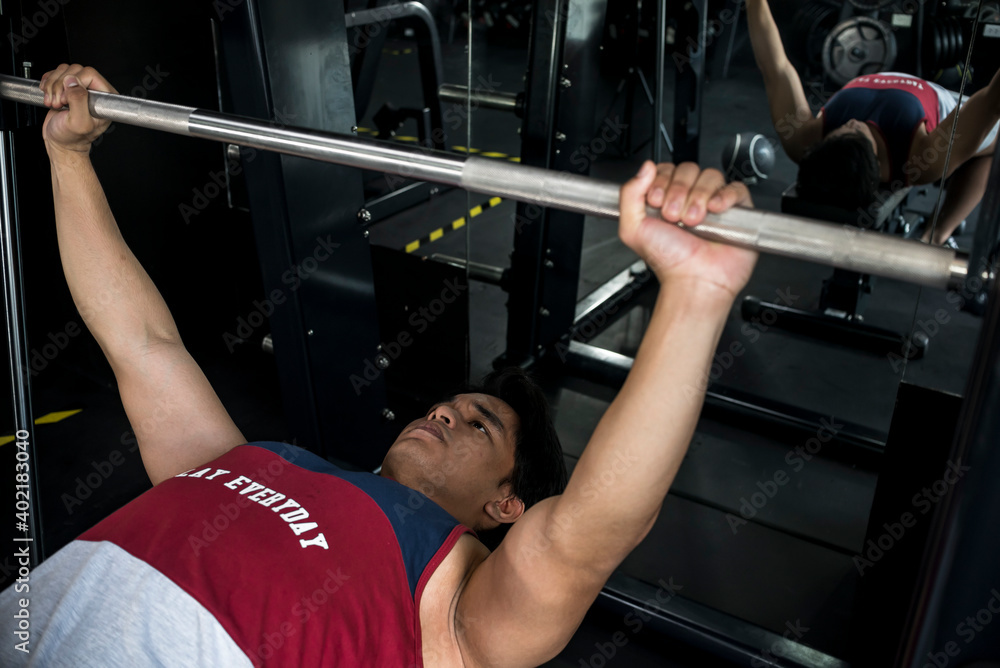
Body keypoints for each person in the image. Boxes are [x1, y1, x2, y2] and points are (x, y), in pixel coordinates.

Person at [0, 64, 756, 667]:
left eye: (479, 425)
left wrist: (695, 293)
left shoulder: (456, 608)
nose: (444, 410)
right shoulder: (246, 462)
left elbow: (592, 530)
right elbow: (142, 343)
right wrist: (68, 156)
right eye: (449, 406)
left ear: (506, 505)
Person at [746, 0, 1000, 246]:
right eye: (856, 131)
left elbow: (775, 67)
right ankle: (936, 236)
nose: (852, 121)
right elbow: (991, 101)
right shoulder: (922, 160)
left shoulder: (804, 141)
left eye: (839, 129)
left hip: (890, 74)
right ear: (876, 162)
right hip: (942, 103)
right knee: (993, 143)